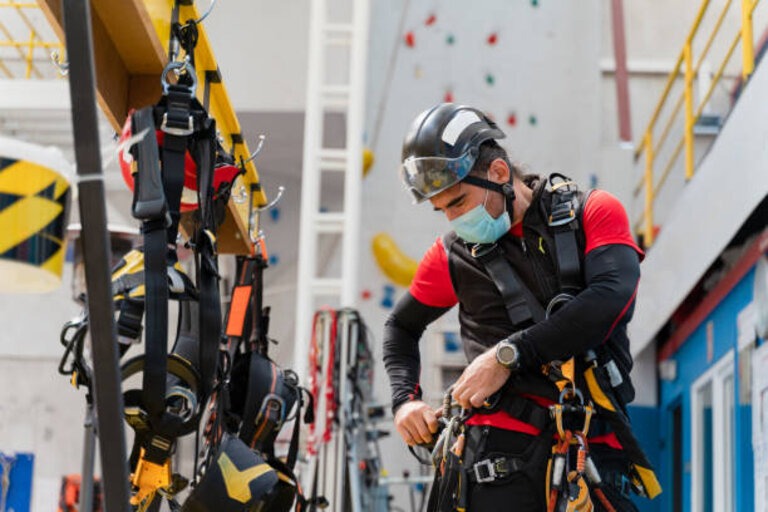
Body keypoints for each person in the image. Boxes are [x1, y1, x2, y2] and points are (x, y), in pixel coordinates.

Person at [383, 103, 649, 511]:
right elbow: (401, 328)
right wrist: (405, 400)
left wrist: (506, 357)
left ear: (499, 173)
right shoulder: (452, 255)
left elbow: (610, 298)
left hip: (593, 451)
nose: (453, 219)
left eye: (458, 202)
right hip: (496, 459)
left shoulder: (592, 212)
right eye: (442, 210)